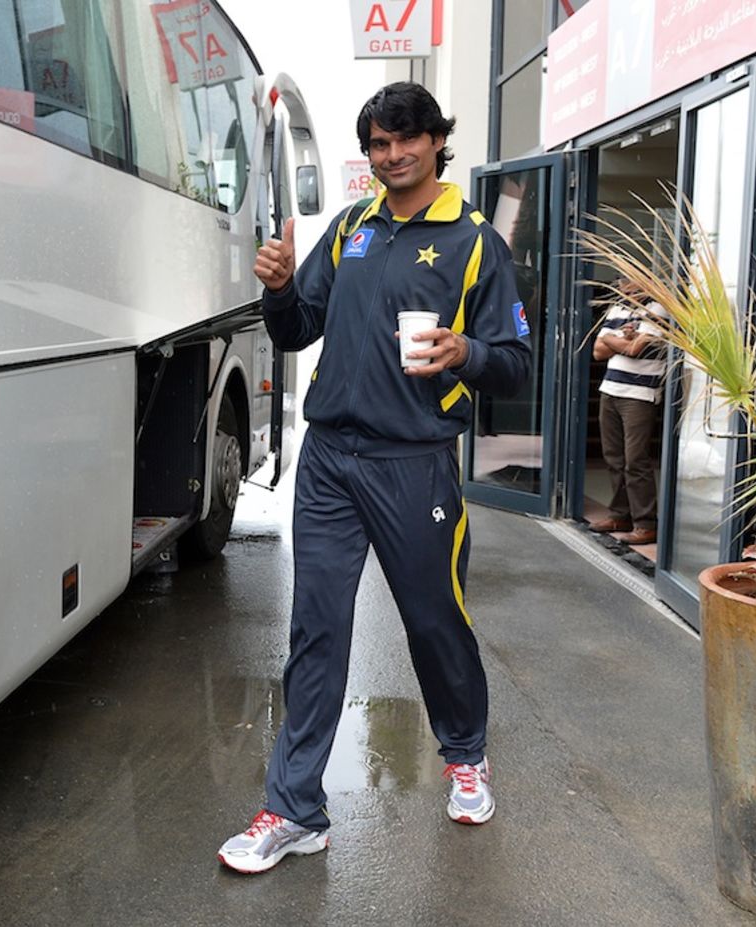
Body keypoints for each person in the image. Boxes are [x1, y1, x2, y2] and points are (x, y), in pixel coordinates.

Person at [217, 82, 531, 874]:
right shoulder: (352, 227)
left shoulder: (473, 241)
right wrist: (281, 287)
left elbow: (517, 364)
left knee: (434, 621)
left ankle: (465, 752)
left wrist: (466, 352)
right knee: (316, 630)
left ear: (435, 141)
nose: (393, 156)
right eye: (379, 145)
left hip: (413, 463)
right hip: (328, 460)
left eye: (406, 141)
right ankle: (295, 808)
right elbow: (295, 332)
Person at [589, 279, 667, 546]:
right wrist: (620, 340)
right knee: (614, 457)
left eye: (626, 279)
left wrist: (613, 339)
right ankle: (620, 515)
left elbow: (635, 350)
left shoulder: (658, 309)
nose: (621, 285)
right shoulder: (618, 308)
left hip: (639, 394)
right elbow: (597, 351)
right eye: (619, 280)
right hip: (610, 389)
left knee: (636, 460)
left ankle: (645, 523)